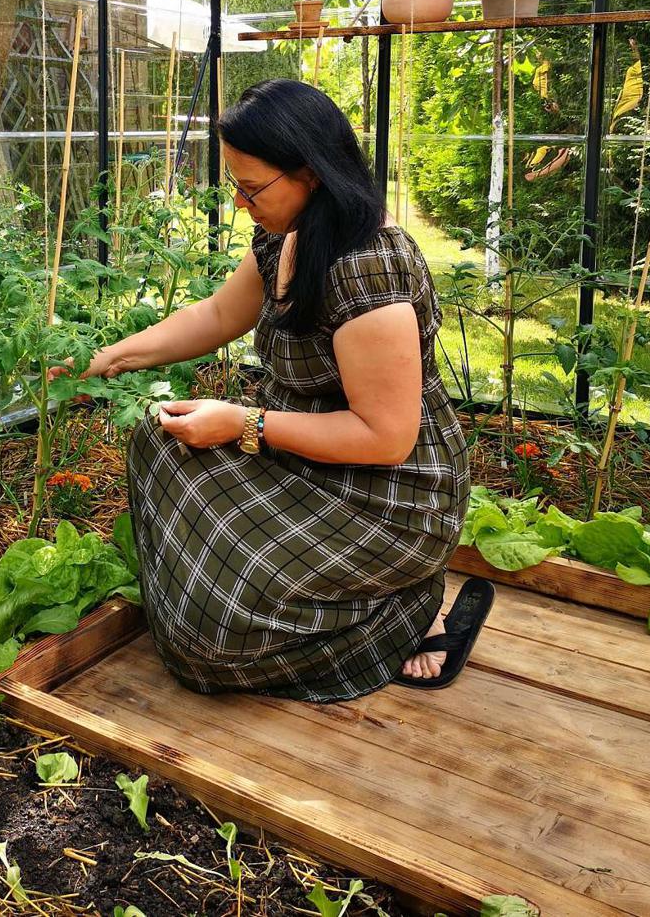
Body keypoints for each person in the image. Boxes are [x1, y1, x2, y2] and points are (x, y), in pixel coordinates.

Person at [78, 79, 490, 701]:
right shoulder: (286, 233)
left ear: (313, 172)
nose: (242, 203)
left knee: (209, 647)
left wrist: (245, 424)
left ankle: (404, 605)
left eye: (252, 187)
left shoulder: (366, 267)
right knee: (158, 441)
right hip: (303, 457)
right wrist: (113, 356)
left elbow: (386, 437)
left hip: (389, 495)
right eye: (235, 187)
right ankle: (327, 599)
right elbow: (218, 315)